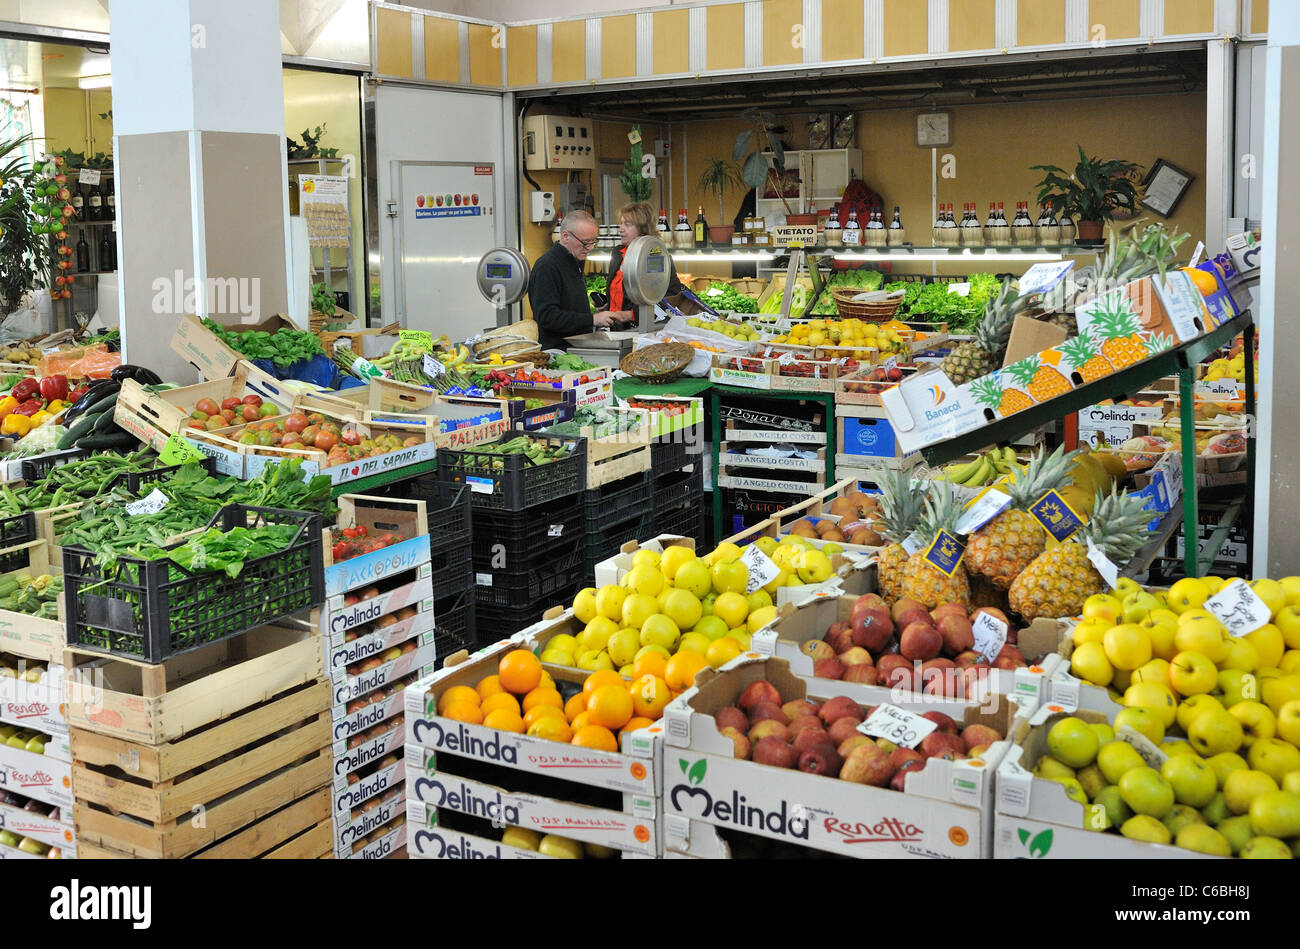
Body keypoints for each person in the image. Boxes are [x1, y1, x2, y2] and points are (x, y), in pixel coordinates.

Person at [527, 210, 613, 351]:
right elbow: (547, 317)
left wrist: (593, 318)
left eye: (593, 242)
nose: (590, 248)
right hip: (558, 352)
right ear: (566, 236)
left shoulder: (576, 260)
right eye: (585, 243)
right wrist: (592, 320)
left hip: (577, 347)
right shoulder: (547, 267)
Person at [602, 202, 684, 323]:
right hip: (615, 328)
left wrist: (631, 315)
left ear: (642, 229)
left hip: (641, 328)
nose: (621, 229)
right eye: (621, 224)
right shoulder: (617, 253)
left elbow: (672, 296)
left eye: (627, 224)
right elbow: (619, 291)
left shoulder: (654, 255)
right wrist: (607, 304)